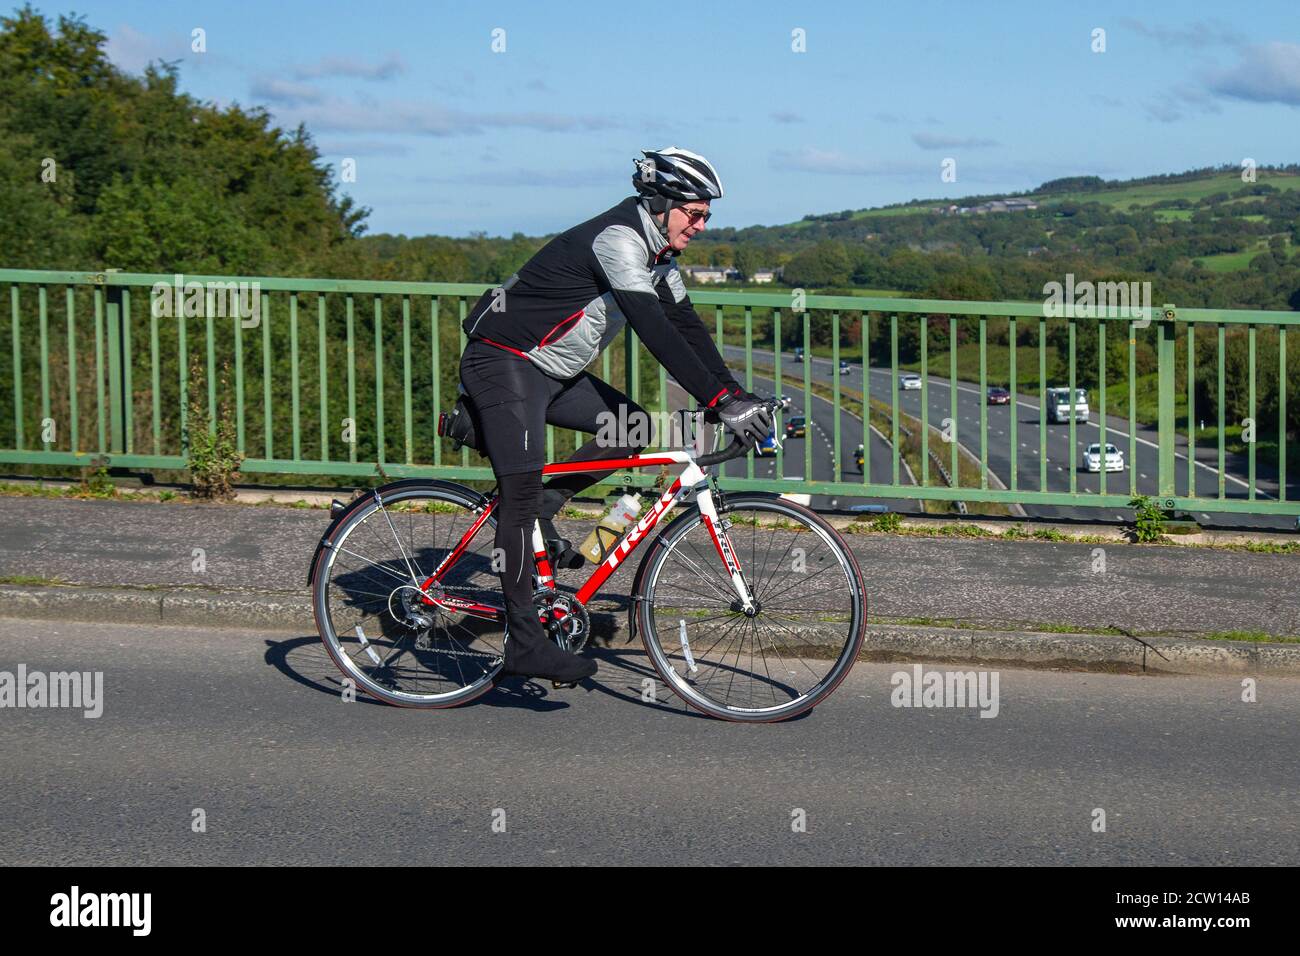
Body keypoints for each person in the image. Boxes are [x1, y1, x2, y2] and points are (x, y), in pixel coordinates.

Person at [457, 146, 774, 684]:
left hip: (551, 371)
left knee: (633, 429)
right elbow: (655, 331)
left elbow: (688, 329)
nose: (700, 225)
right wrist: (719, 404)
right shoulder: (619, 240)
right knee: (519, 495)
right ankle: (525, 643)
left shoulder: (657, 257)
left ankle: (544, 509)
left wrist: (735, 394)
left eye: (706, 216)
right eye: (693, 213)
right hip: (505, 363)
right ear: (659, 203)